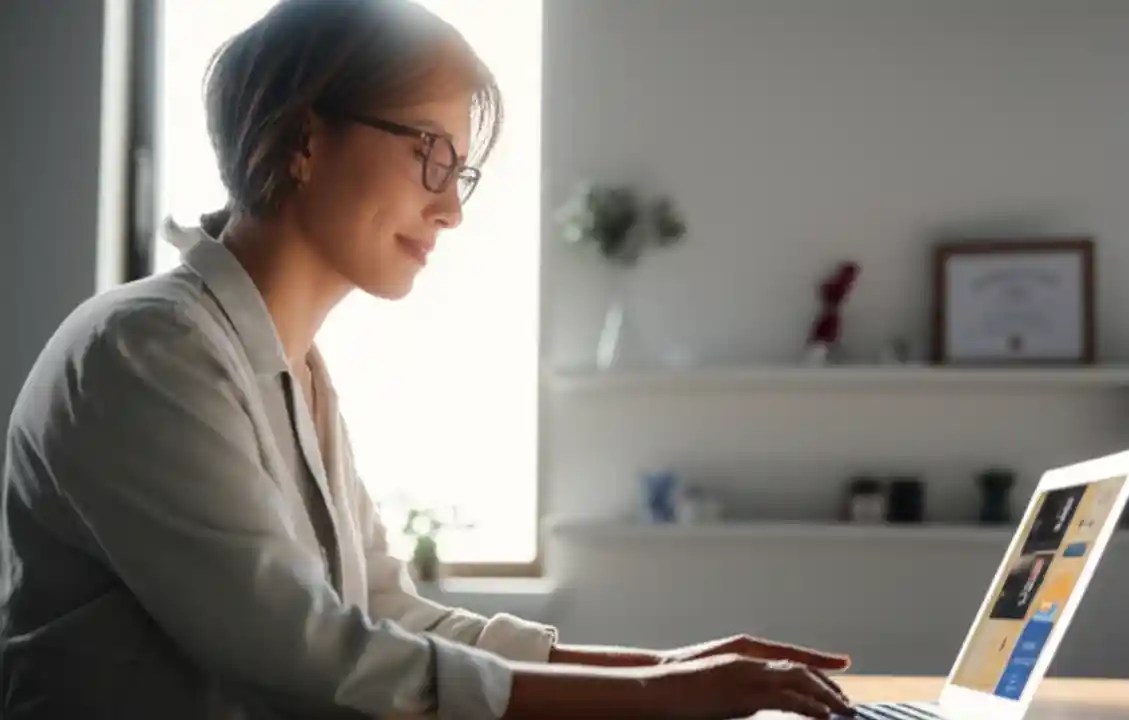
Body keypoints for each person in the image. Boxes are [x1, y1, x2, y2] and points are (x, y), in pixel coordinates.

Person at [0, 1, 856, 718]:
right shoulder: (148, 349)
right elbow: (306, 655)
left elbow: (384, 611)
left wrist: (664, 669)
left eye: (461, 171)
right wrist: (659, 697)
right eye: (429, 154)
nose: (450, 208)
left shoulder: (290, 371)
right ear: (303, 139)